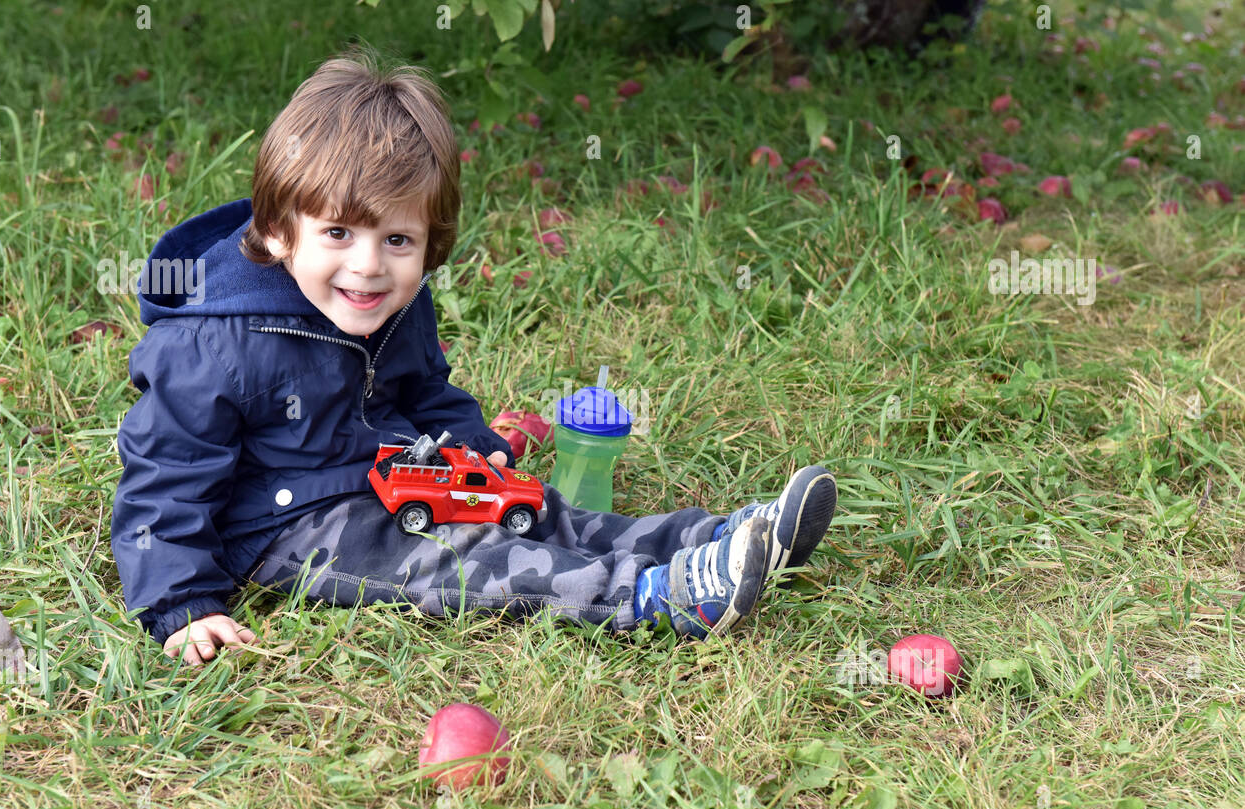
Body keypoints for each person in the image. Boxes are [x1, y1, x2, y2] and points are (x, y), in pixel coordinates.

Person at [109, 49, 838, 666]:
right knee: (466, 561)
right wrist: (182, 604)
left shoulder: (392, 301)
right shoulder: (215, 344)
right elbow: (163, 478)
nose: (367, 267)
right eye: (337, 234)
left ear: (429, 244)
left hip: (397, 475)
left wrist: (474, 452)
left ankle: (714, 538)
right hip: (289, 523)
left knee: (533, 511)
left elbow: (425, 388)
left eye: (397, 241)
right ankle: (660, 596)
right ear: (276, 234)